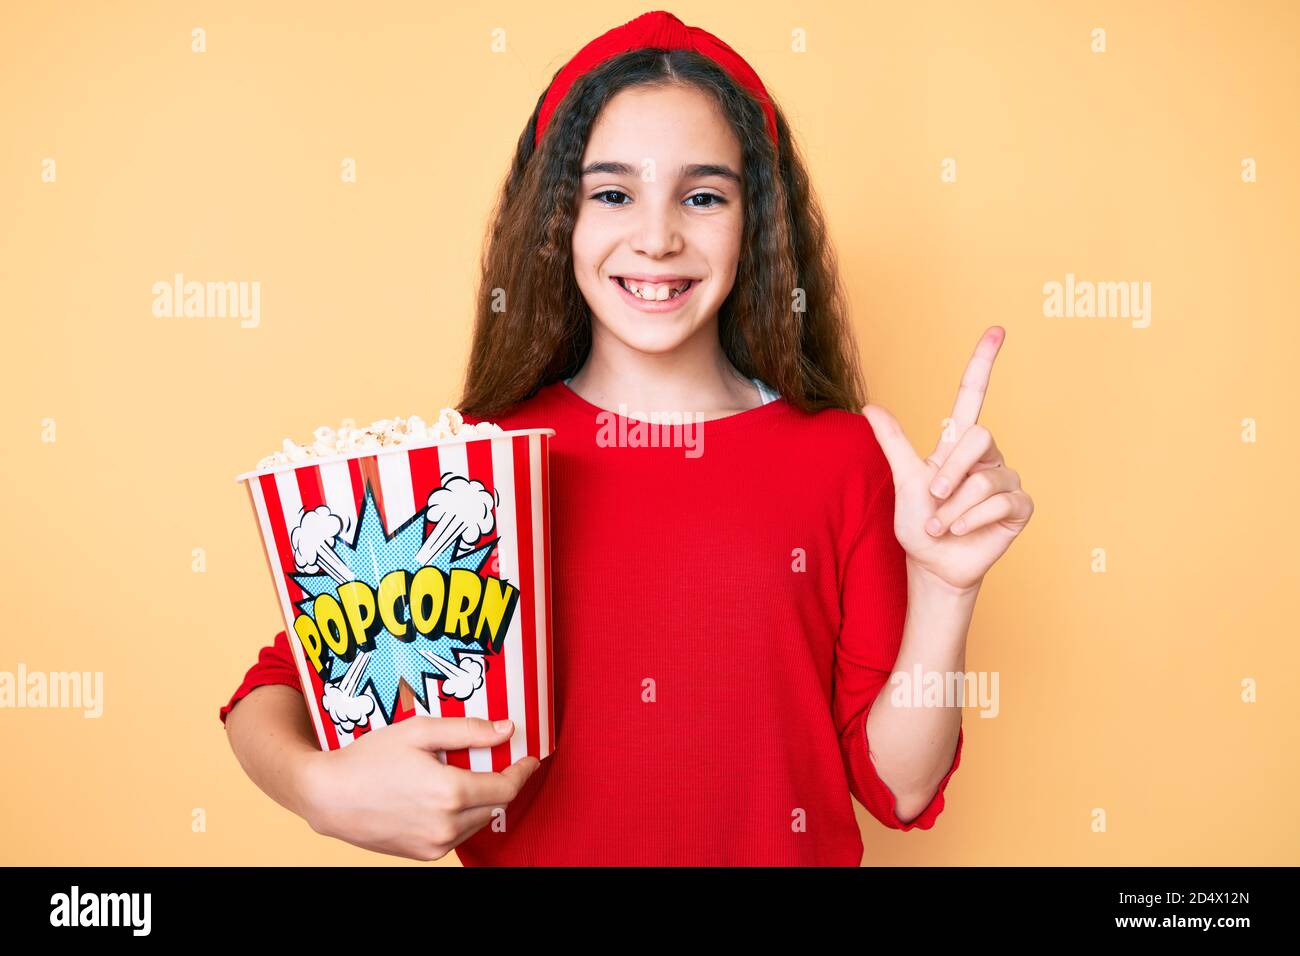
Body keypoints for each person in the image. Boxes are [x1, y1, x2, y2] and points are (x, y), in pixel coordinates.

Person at [221, 9, 1033, 865]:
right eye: (612, 193)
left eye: (703, 194)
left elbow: (897, 786)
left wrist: (945, 590)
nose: (657, 237)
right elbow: (274, 689)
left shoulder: (843, 459)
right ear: (554, 222)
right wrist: (319, 791)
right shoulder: (471, 467)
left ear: (755, 221)